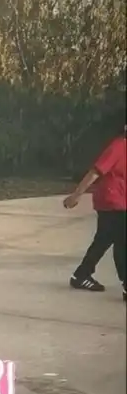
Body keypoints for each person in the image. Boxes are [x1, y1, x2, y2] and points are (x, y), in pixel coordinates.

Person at [65, 122, 126, 301]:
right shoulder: (118, 146)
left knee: (104, 239)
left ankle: (81, 275)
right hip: (111, 200)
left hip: (120, 201)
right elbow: (95, 172)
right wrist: (76, 195)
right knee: (122, 241)